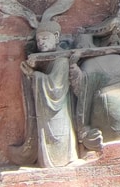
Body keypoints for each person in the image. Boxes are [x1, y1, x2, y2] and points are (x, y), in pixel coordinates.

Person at [10, 20, 77, 167]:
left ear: (57, 37)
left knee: (59, 137)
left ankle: (64, 162)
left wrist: (34, 75)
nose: (41, 43)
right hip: (44, 112)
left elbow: (55, 88)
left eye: (45, 39)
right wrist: (31, 72)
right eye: (39, 40)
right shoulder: (45, 60)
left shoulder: (61, 60)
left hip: (57, 110)